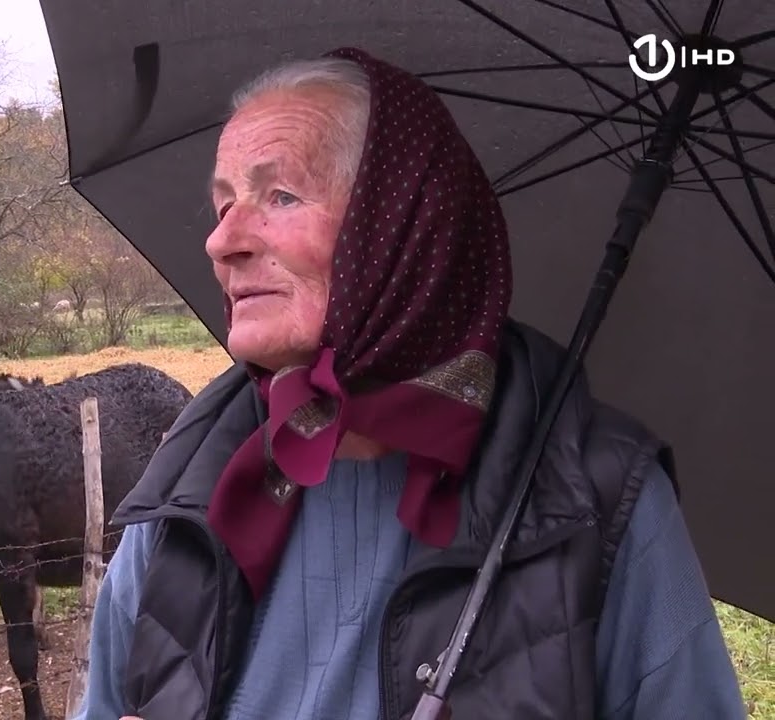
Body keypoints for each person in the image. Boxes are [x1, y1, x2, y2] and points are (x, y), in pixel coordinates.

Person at [71, 47, 747, 720]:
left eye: (279, 195)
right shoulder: (190, 486)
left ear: (402, 222)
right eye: (223, 206)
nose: (223, 242)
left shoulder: (590, 497)